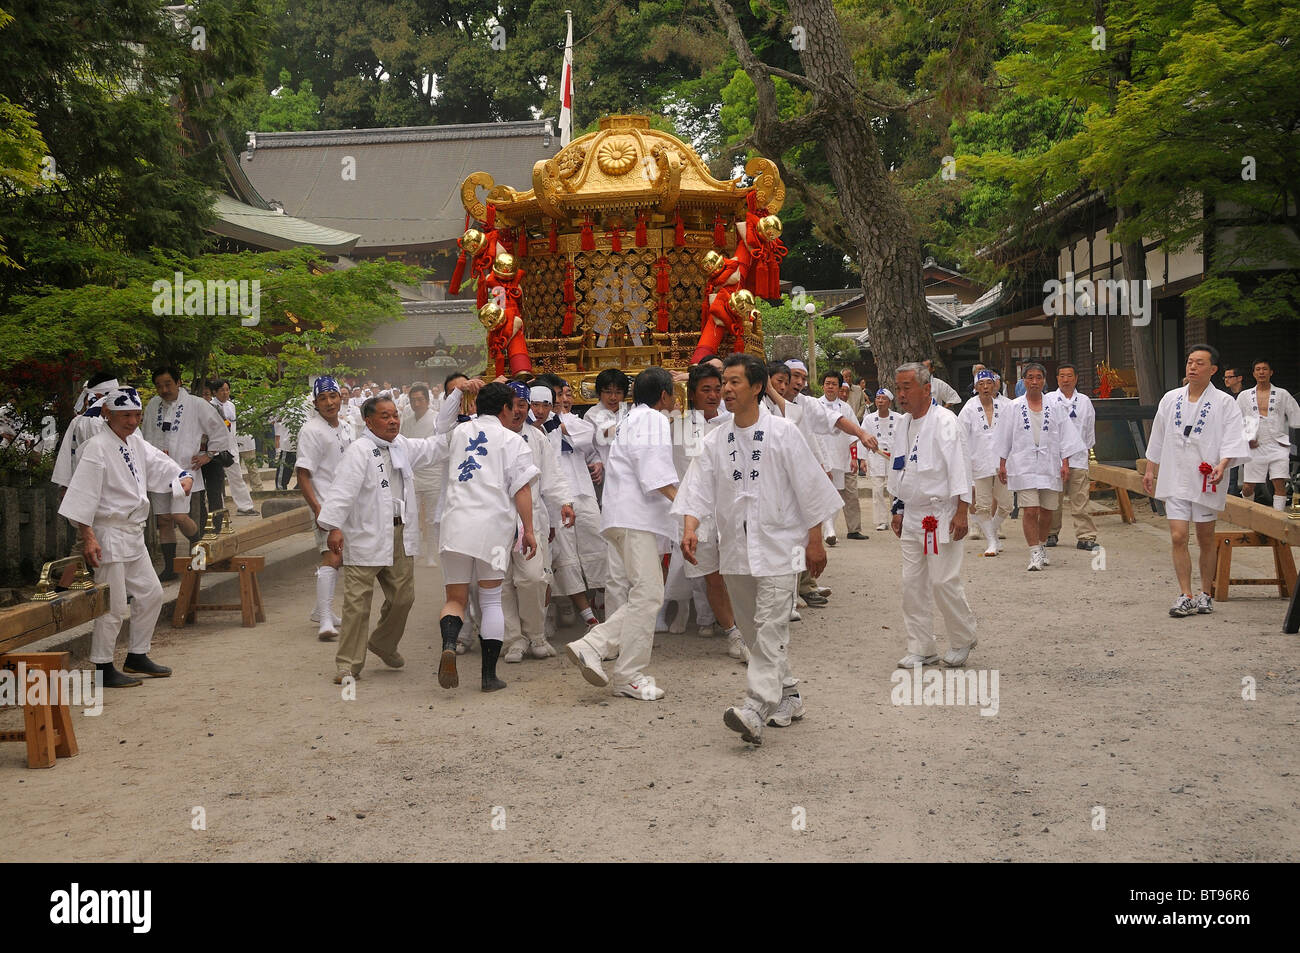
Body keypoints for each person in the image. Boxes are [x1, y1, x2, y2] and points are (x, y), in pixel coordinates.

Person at [678, 354, 841, 745]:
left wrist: (815, 540)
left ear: (756, 387)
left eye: (734, 383)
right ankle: (789, 695)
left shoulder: (784, 432)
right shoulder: (716, 439)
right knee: (753, 631)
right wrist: (690, 526)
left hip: (779, 548)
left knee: (771, 627)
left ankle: (755, 706)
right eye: (723, 384)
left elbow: (809, 486)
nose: (726, 391)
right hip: (735, 548)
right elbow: (698, 486)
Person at [58, 387, 193, 687]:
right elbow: (81, 496)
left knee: (151, 593)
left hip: (133, 533)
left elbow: (161, 464)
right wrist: (88, 536)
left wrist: (180, 475)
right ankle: (103, 665)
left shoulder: (135, 441)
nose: (132, 421)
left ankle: (137, 655)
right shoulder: (96, 447)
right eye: (125, 416)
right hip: (107, 533)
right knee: (115, 605)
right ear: (107, 414)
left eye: (136, 415)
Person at [316, 395, 449, 684]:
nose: (393, 421)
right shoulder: (359, 451)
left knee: (404, 597)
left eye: (395, 416)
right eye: (385, 416)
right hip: (366, 533)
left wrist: (459, 401)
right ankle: (348, 664)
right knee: (357, 604)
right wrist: (333, 527)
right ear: (368, 420)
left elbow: (436, 446)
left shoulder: (402, 446)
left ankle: (384, 643)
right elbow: (342, 491)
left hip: (400, 534)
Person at [564, 367, 679, 701]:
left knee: (641, 595)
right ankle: (606, 655)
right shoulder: (653, 419)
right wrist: (689, 507)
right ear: (664, 396)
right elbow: (655, 474)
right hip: (635, 520)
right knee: (648, 595)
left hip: (619, 517)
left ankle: (615, 662)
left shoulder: (631, 418)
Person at [435, 382, 539, 692]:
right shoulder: (513, 440)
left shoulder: (457, 434)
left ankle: (450, 644)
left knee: (455, 598)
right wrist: (529, 530)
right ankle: (488, 676)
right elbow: (521, 489)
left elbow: (440, 428)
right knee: (492, 599)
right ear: (506, 409)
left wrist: (457, 394)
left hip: (455, 524)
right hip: (493, 527)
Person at [1143, 344, 1251, 616]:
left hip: (1206, 478)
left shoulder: (1225, 403)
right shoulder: (1170, 399)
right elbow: (1157, 435)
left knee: (1205, 537)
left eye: (1199, 363)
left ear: (1213, 369)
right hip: (1175, 474)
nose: (1192, 367)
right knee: (1178, 536)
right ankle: (1185, 594)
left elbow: (1233, 438)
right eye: (1190, 362)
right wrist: (1149, 469)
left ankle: (1205, 592)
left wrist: (1223, 464)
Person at [887, 363, 978, 669]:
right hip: (913, 512)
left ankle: (963, 636)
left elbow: (960, 466)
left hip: (940, 512)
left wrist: (962, 510)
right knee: (912, 584)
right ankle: (922, 647)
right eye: (898, 388)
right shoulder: (902, 424)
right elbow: (901, 469)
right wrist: (898, 509)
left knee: (942, 580)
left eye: (906, 388)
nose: (901, 394)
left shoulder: (945, 421)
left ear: (927, 389)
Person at [667, 363, 747, 658]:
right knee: (710, 575)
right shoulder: (676, 423)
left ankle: (744, 626)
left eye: (718, 388)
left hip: (731, 508)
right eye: (705, 390)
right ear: (692, 393)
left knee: (737, 572)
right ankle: (732, 632)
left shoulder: (733, 422)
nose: (713, 395)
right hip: (695, 511)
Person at [499, 382, 575, 662]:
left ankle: (535, 634)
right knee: (503, 582)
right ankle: (514, 640)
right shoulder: (491, 436)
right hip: (497, 519)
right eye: (513, 404)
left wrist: (564, 502)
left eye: (523, 404)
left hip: (532, 519)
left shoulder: (536, 437)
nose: (518, 410)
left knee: (533, 578)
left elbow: (552, 475)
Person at [141, 365, 233, 581]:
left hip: (185, 470)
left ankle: (199, 549)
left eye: (168, 384)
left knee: (179, 516)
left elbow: (219, 430)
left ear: (178, 382)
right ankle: (170, 567)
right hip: (158, 469)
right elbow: (146, 433)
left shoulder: (196, 404)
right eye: (159, 386)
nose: (164, 390)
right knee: (163, 520)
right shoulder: (154, 404)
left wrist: (208, 456)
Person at [994, 363, 1085, 571]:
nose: (1034, 382)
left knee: (1047, 511)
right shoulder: (1014, 407)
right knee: (1030, 509)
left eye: (1038, 378)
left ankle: (1042, 545)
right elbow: (1003, 436)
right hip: (1023, 463)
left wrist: (1065, 462)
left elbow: (1066, 436)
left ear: (1044, 380)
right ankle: (1034, 552)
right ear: (1024, 381)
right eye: (1030, 378)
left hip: (1049, 464)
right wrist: (1002, 462)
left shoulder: (1055, 407)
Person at [295, 376, 354, 640]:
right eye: (323, 398)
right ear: (315, 403)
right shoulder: (311, 430)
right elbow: (303, 475)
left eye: (333, 396)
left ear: (341, 398)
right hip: (326, 503)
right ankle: (325, 621)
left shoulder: (346, 426)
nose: (329, 402)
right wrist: (318, 508)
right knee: (331, 556)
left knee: (338, 557)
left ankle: (322, 610)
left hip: (346, 502)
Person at [551, 382, 608, 627]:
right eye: (559, 394)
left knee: (597, 544)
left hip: (583, 492)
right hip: (555, 497)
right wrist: (554, 423)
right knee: (564, 555)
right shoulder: (536, 425)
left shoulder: (579, 422)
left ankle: (598, 602)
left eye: (568, 394)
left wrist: (597, 462)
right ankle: (571, 609)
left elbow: (589, 444)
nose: (565, 398)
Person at [1045, 363, 1100, 551]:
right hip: (1054, 459)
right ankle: (1050, 533)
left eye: (1069, 376)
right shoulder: (1049, 399)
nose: (1065, 379)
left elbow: (1089, 430)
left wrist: (1085, 451)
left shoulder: (1084, 401)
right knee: (1053, 499)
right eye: (1061, 376)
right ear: (1057, 378)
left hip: (1078, 457)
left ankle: (1085, 536)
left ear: (1076, 378)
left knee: (1081, 499)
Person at [958, 370, 1012, 556]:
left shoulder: (1004, 407)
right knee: (982, 506)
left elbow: (1011, 434)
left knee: (1006, 505)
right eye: (981, 384)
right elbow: (961, 438)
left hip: (1001, 463)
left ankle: (993, 532)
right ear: (975, 387)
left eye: (989, 383)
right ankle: (990, 541)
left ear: (995, 385)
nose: (986, 387)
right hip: (978, 462)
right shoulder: (969, 408)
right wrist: (964, 464)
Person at [1237, 359, 1300, 511]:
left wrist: (1293, 440)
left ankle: (1278, 520)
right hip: (1255, 444)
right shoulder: (1244, 396)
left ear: (1271, 372)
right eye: (1258, 369)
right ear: (1253, 373)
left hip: (1278, 444)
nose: (1261, 372)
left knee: (1279, 483)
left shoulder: (1281, 394)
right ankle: (1249, 516)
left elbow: (1295, 414)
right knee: (1247, 486)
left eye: (1265, 369)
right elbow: (1236, 419)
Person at [399, 382, 442, 567]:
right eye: (413, 400)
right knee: (411, 516)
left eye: (420, 400)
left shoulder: (437, 419)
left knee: (432, 519)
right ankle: (414, 553)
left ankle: (432, 554)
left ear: (427, 400)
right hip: (413, 475)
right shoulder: (406, 421)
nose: (417, 404)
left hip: (433, 474)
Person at [862, 388, 902, 532]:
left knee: (894, 489)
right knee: (877, 491)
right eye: (878, 398)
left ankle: (896, 516)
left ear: (889, 402)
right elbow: (863, 438)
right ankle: (881, 520)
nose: (880, 401)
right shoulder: (869, 419)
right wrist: (862, 460)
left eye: (883, 398)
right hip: (876, 456)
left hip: (893, 457)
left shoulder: (899, 418)